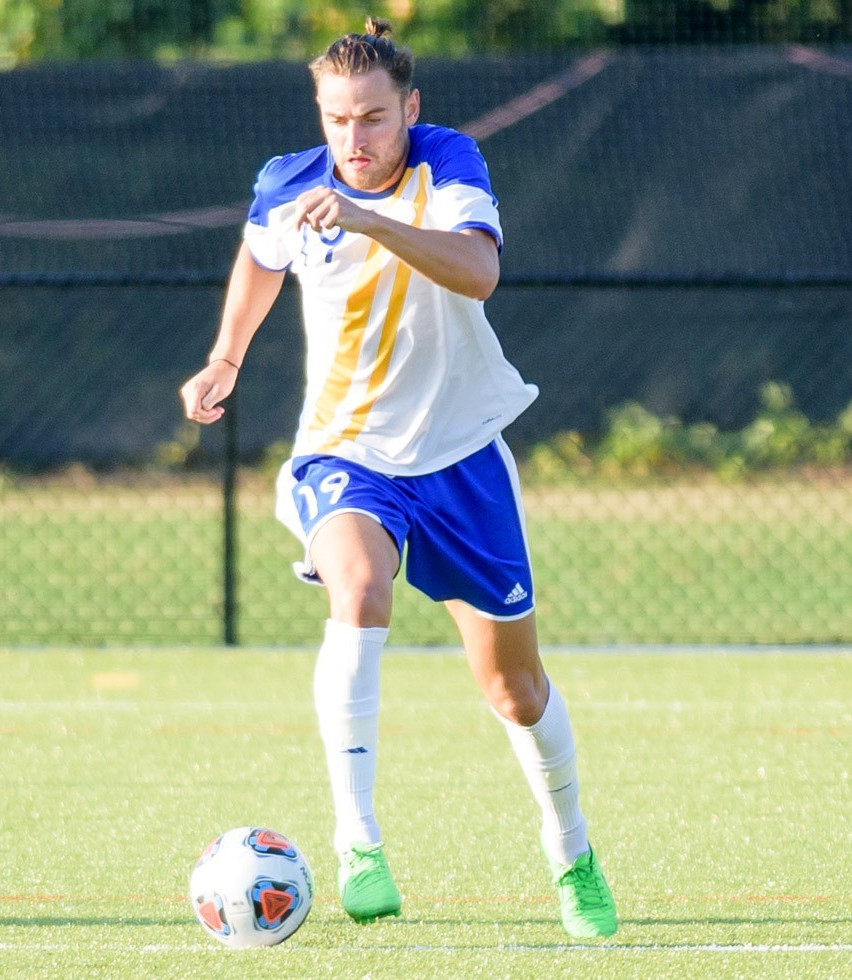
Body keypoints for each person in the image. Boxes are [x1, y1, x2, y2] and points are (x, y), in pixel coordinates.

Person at [177, 17, 616, 939]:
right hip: (345, 452)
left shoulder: (447, 163)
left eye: (373, 117)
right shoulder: (287, 183)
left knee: (516, 691)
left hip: (461, 458)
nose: (355, 138)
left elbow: (479, 272)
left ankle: (572, 853)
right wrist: (225, 357)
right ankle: (359, 841)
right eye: (337, 119)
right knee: (360, 588)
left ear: (409, 109)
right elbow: (260, 258)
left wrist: (371, 219)